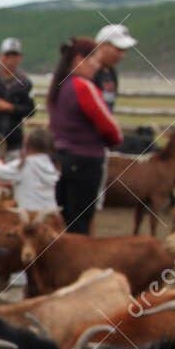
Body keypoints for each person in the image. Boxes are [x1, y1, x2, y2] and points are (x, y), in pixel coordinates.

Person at [48, 36, 122, 235]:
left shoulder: (61, 85)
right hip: (86, 160)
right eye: (94, 60)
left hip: (62, 158)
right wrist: (113, 141)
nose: (97, 66)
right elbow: (109, 126)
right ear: (80, 59)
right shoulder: (83, 86)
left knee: (64, 218)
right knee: (80, 223)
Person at [0, 127, 59, 214]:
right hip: (52, 214)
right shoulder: (52, 164)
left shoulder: (24, 165)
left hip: (31, 216)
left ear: (26, 144)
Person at [91, 23, 136, 112]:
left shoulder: (111, 72)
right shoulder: (86, 73)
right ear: (102, 45)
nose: (122, 55)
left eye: (124, 50)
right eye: (118, 49)